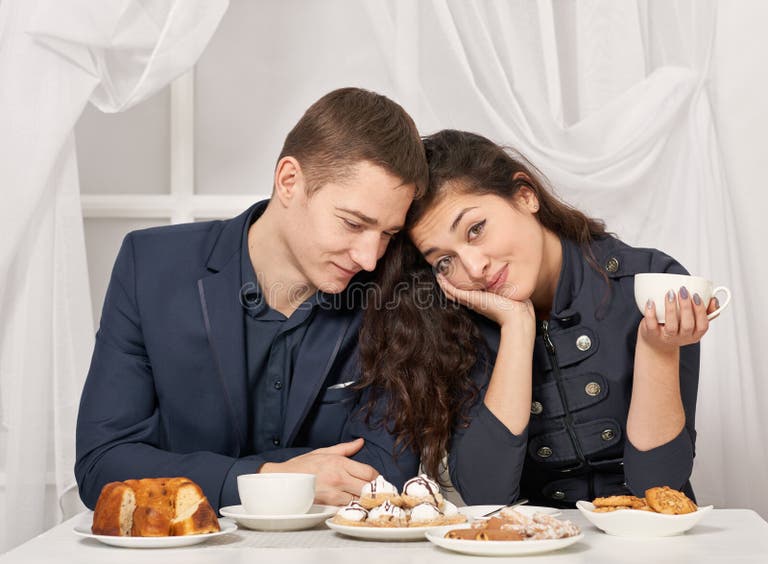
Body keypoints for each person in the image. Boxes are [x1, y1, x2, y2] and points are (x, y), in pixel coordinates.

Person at [75, 87, 429, 511]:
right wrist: (271, 479)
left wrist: (193, 472)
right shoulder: (150, 267)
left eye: (387, 234)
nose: (370, 257)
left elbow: (386, 472)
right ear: (289, 181)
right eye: (353, 224)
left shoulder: (393, 293)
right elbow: (103, 465)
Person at [358, 129, 718, 508]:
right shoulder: (457, 324)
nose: (475, 267)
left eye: (476, 230)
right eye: (444, 260)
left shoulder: (651, 283)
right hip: (535, 546)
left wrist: (657, 348)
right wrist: (516, 327)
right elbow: (485, 496)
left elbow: (660, 488)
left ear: (525, 195)